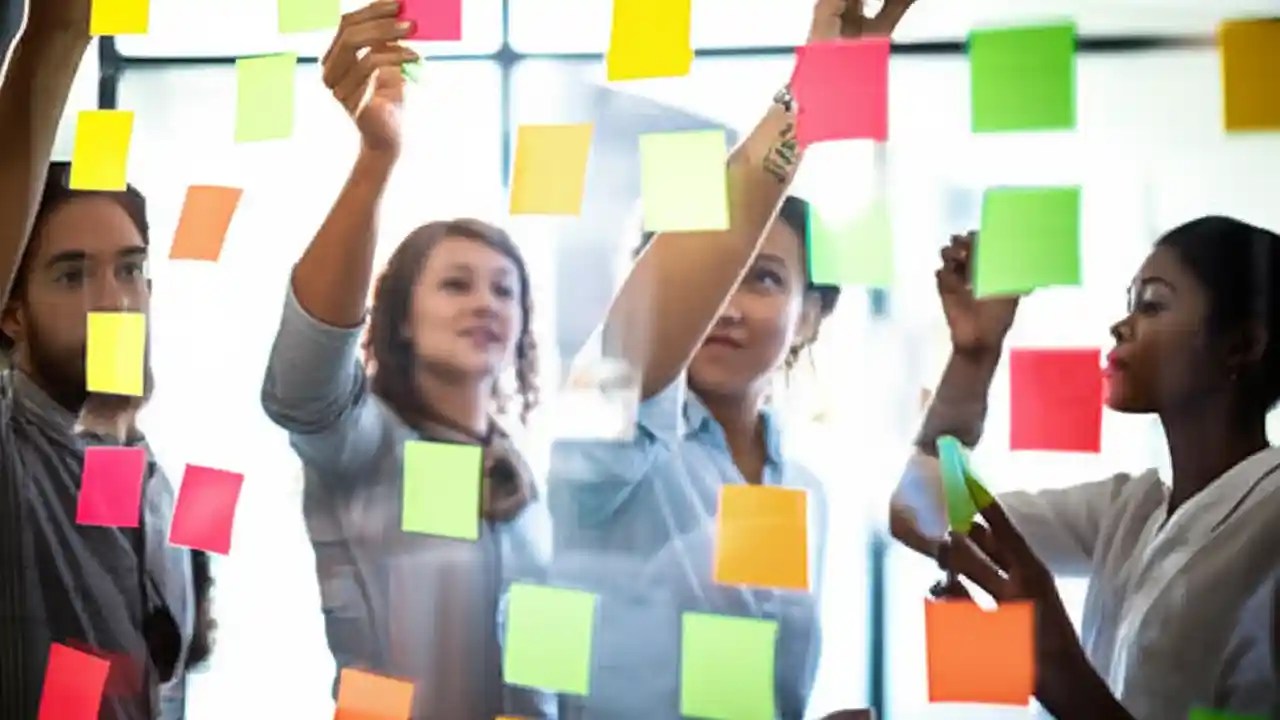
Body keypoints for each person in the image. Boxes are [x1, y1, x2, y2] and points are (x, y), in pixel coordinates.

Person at [538, 1, 919, 716]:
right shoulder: (609, 440)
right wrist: (811, 95)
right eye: (716, 277)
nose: (726, 305)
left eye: (766, 279)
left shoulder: (804, 489)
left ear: (813, 314)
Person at [259, 3, 552, 717]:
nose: (486, 303)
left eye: (503, 289)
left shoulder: (522, 472)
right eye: (456, 284)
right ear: (402, 319)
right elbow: (300, 386)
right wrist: (376, 159)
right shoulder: (366, 446)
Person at [890, 219, 1280, 719]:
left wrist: (1056, 667)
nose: (1121, 326)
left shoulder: (1269, 529)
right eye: (1129, 303)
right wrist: (975, 354)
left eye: (1153, 304)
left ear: (1241, 345)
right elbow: (920, 511)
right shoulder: (1128, 512)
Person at [0, 2, 206, 717]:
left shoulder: (154, 484)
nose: (114, 301)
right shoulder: (13, 459)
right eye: (71, 273)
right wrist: (59, 32)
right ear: (10, 309)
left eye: (129, 269)